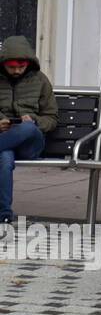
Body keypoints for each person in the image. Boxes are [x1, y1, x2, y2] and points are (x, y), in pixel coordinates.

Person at [0, 36, 59, 224]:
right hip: (5, 141)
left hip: (30, 143)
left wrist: (34, 121)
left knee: (27, 128)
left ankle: (26, 127)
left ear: (28, 63)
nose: (17, 71)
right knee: (4, 160)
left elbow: (52, 118)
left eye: (21, 67)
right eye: (12, 67)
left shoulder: (40, 81)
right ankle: (4, 214)